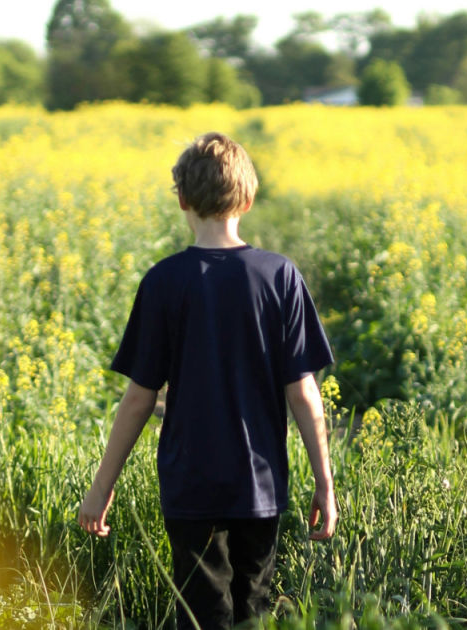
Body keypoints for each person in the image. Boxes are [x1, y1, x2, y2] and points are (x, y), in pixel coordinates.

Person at [78, 132, 338, 629]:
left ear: (182, 199)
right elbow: (304, 393)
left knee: (201, 616)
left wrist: (102, 487)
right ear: (248, 197)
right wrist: (324, 483)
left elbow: (138, 398)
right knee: (252, 613)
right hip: (260, 485)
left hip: (190, 484)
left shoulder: (164, 281)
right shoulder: (280, 276)